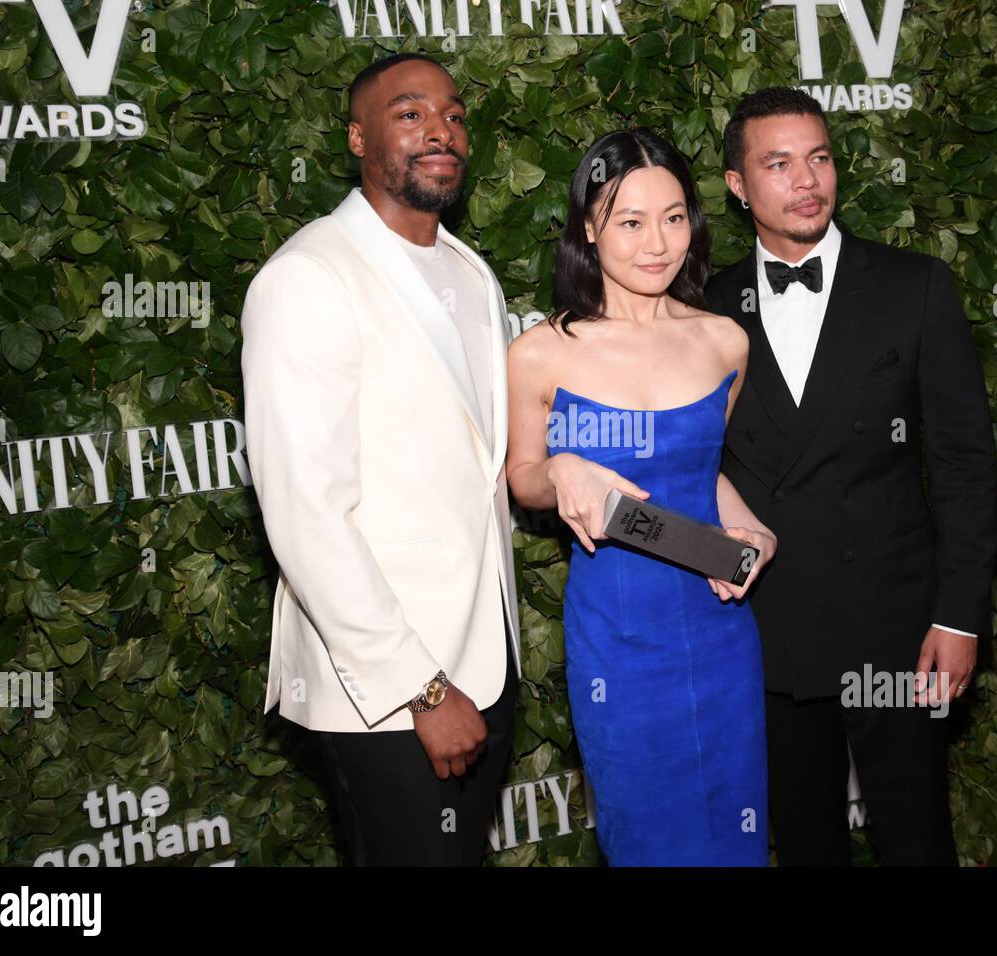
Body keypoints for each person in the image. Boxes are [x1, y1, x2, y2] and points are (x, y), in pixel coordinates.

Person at [704, 87, 997, 866]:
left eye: (820, 158)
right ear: (738, 185)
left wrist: (960, 617)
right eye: (778, 164)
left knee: (916, 839)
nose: (807, 180)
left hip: (897, 629)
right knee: (804, 844)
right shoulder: (704, 307)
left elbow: (964, 464)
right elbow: (691, 470)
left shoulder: (914, 285)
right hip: (766, 631)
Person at [240, 53, 520, 866]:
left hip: (484, 665)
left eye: (454, 115)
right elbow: (307, 514)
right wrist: (420, 689)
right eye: (410, 114)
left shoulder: (470, 272)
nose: (441, 131)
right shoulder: (307, 277)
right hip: (389, 692)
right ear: (358, 138)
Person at [506, 129, 777, 866]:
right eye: (630, 221)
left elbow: (700, 469)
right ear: (589, 229)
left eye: (674, 217)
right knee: (646, 837)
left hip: (720, 630)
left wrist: (754, 531)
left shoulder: (724, 342)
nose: (658, 244)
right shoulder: (541, 353)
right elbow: (522, 475)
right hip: (619, 642)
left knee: (736, 835)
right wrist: (561, 468)